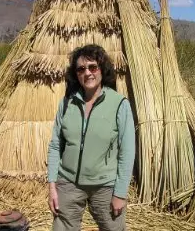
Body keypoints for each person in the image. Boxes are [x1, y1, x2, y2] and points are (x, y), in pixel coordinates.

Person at [47, 44, 135, 231]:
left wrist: (119, 193)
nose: (87, 73)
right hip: (68, 184)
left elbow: (127, 152)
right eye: (81, 69)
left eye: (92, 67)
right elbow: (56, 145)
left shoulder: (119, 104)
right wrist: (52, 186)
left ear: (102, 69)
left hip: (104, 186)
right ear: (76, 74)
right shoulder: (67, 103)